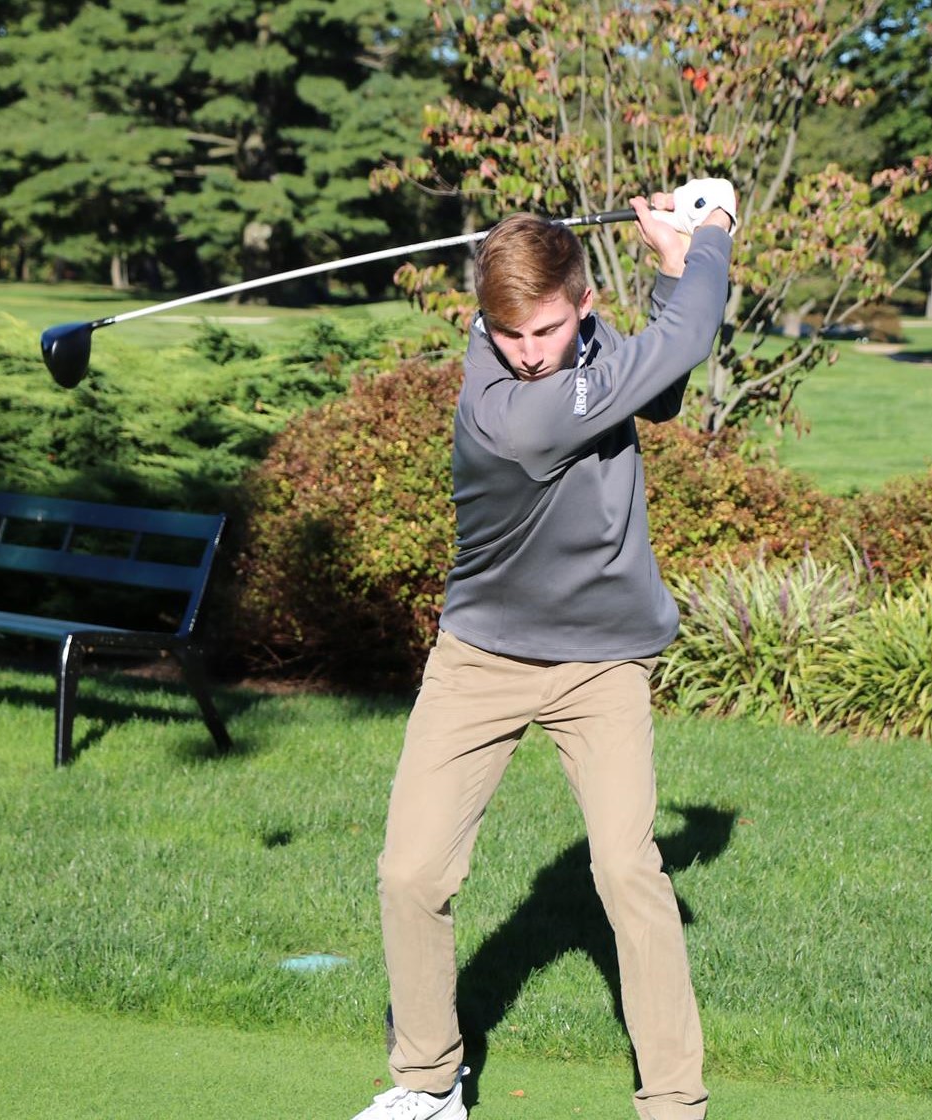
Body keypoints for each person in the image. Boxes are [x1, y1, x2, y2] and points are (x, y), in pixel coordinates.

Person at [351, 180, 737, 1120]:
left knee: (626, 871)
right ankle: (429, 1082)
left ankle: (674, 1106)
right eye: (507, 332)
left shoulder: (586, 351)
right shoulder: (511, 410)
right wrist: (715, 230)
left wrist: (672, 264)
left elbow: (662, 393)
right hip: (482, 657)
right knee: (411, 872)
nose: (527, 352)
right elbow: (686, 338)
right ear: (485, 322)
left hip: (603, 662)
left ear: (584, 304)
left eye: (547, 331)